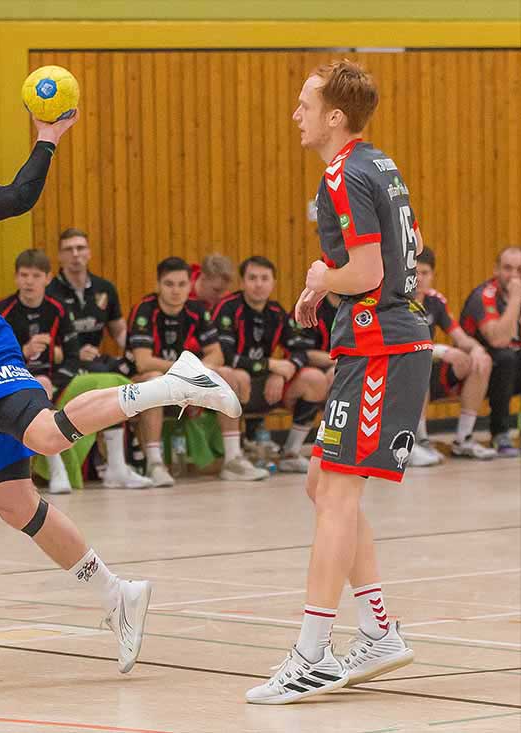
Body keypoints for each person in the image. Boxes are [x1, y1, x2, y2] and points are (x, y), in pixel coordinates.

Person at [0, 99, 242, 677]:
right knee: (14, 503)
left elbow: (18, 196)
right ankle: (116, 596)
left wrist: (47, 137)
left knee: (47, 435)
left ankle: (169, 384)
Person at [247, 60, 433, 704]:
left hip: (383, 345)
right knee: (322, 482)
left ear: (334, 116)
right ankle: (379, 630)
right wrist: (321, 282)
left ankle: (311, 650)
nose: (295, 114)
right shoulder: (375, 163)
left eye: (305, 104)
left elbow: (366, 269)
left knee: (336, 497)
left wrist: (322, 277)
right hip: (375, 342)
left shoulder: (341, 173)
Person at [213, 256, 329, 480]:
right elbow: (225, 357)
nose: (258, 284)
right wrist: (269, 364)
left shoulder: (276, 312)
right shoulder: (228, 308)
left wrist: (279, 371)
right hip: (231, 384)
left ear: (273, 282)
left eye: (264, 278)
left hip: (264, 385)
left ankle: (291, 453)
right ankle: (232, 460)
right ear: (242, 282)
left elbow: (300, 351)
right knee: (234, 375)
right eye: (252, 278)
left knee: (314, 378)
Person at [128, 257, 223, 487]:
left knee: (230, 375)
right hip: (141, 381)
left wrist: (196, 373)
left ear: (190, 285)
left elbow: (217, 355)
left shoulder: (196, 310)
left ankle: (233, 457)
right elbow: (143, 362)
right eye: (169, 284)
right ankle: (155, 462)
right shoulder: (145, 309)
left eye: (182, 284)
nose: (176, 290)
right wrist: (187, 372)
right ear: (158, 284)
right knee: (153, 380)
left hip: (183, 380)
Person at [0, 248, 79, 493]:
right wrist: (24, 351)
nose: (29, 281)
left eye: (36, 276)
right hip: (12, 381)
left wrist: (59, 376)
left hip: (54, 380)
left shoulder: (58, 310)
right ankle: (55, 464)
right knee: (39, 383)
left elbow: (73, 356)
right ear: (16, 277)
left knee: (44, 383)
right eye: (24, 275)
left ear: (48, 279)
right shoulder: (2, 311)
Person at [410, 247, 495, 462]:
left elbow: (460, 336)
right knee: (418, 365)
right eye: (414, 272)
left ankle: (463, 439)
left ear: (432, 276)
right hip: (400, 373)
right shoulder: (395, 302)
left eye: (425, 273)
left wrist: (476, 349)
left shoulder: (435, 301)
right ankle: (419, 441)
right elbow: (401, 348)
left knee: (480, 362)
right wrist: (441, 350)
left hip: (426, 368)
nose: (419, 278)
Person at [459, 246, 521, 457]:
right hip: (475, 368)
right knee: (506, 358)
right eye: (507, 268)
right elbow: (498, 339)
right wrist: (515, 300)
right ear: (496, 270)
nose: (513, 275)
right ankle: (500, 433)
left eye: (519, 270)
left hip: (509, 367)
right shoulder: (484, 296)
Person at [46, 228, 127, 375]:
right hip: (62, 366)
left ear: (89, 253)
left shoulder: (105, 288)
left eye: (80, 248)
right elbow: (41, 345)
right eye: (68, 249)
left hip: (95, 361)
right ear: (59, 256)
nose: (75, 254)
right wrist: (74, 353)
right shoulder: (49, 293)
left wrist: (136, 351)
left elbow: (119, 331)